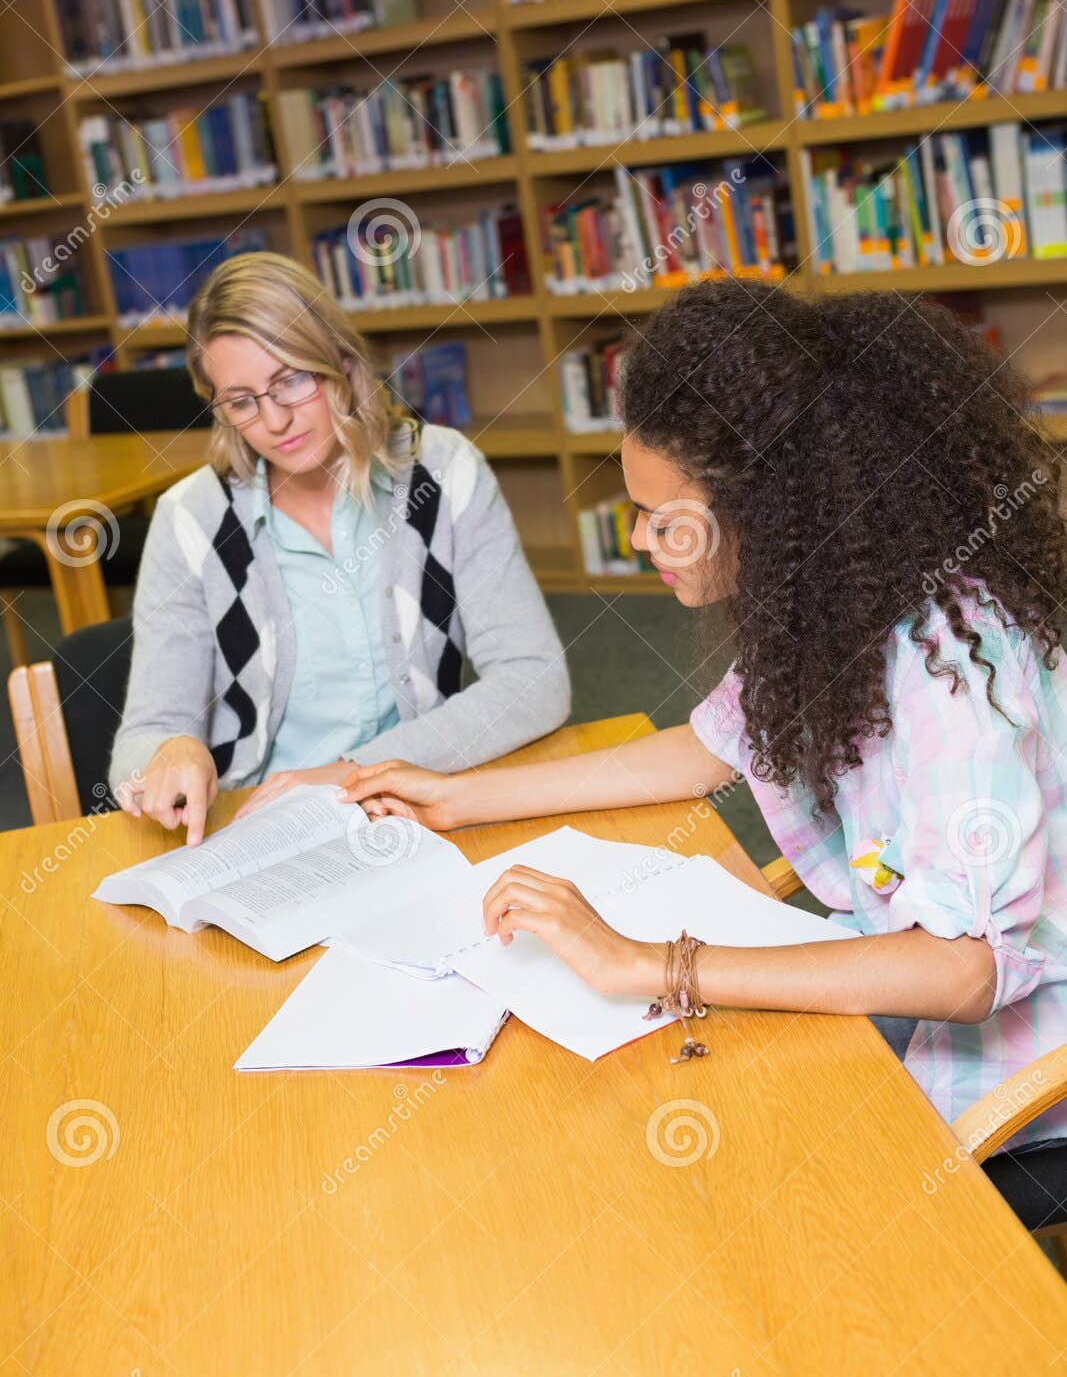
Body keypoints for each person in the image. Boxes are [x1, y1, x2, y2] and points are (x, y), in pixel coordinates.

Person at [342, 277, 1067, 1177]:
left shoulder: (947, 670)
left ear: (772, 511)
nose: (640, 540)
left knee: (674, 1153)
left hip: (1014, 1060)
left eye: (662, 518)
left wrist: (652, 964)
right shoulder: (837, 593)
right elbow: (709, 743)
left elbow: (963, 971)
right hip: (898, 977)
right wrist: (456, 797)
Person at [110, 251, 569, 843]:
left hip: (413, 801)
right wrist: (170, 750)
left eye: (292, 380)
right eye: (242, 401)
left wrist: (352, 776)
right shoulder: (190, 520)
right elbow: (143, 739)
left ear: (342, 364)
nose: (274, 420)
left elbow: (535, 680)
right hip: (262, 827)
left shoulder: (444, 472)